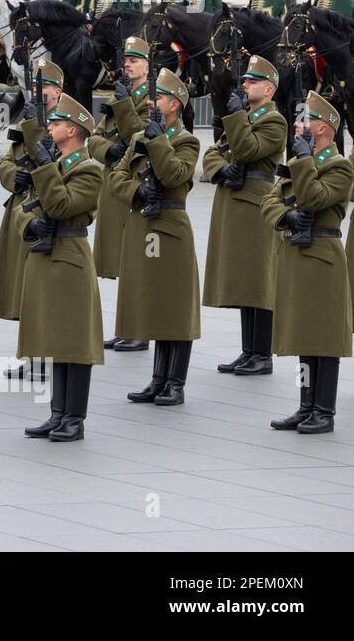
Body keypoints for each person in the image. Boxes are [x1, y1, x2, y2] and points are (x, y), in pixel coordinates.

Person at [261, 92, 353, 434]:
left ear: (326, 128)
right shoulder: (300, 162)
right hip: (298, 254)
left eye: (307, 120)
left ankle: (324, 410)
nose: (299, 125)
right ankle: (305, 404)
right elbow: (269, 201)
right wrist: (287, 215)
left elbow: (316, 197)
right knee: (303, 334)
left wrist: (302, 162)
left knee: (323, 337)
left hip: (324, 257)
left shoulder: (339, 166)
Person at [112, 68, 202, 407]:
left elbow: (176, 175)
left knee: (175, 306)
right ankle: (157, 379)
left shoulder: (186, 141)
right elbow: (116, 177)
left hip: (171, 225)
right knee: (153, 302)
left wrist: (158, 140)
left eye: (159, 97)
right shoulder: (140, 137)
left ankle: (175, 383)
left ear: (175, 105)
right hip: (143, 223)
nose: (152, 102)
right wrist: (138, 190)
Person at [19, 94, 105, 442]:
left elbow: (59, 204)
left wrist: (43, 168)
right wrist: (30, 224)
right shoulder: (57, 165)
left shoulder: (88, 170)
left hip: (70, 256)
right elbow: (24, 208)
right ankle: (57, 413)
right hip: (47, 254)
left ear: (72, 130)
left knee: (75, 341)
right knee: (56, 337)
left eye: (55, 124)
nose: (50, 128)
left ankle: (74, 418)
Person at [202, 55, 286, 376]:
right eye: (245, 80)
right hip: (235, 201)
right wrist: (223, 170)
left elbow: (249, 149)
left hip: (255, 204)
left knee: (259, 280)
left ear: (269, 90)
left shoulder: (274, 120)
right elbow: (213, 151)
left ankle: (262, 354)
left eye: (252, 81)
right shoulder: (247, 115)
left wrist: (235, 114)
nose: (245, 84)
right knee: (244, 280)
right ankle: (248, 350)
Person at [0, 59, 63, 379]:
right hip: (21, 210)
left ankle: (46, 354)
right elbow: (7, 160)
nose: (38, 93)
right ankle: (31, 353)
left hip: (45, 209)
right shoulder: (27, 120)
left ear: (58, 91)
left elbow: (52, 160)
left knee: (44, 289)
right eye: (35, 87)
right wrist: (13, 176)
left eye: (44, 87)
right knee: (23, 284)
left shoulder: (63, 122)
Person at [90, 36, 152, 351]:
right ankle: (125, 327)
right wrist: (109, 149)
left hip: (135, 185)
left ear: (147, 66)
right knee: (120, 260)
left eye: (135, 61)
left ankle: (139, 329)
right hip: (114, 180)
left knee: (136, 262)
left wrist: (124, 104)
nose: (128, 65)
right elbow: (95, 137)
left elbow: (140, 137)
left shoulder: (151, 97)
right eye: (126, 61)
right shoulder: (122, 94)